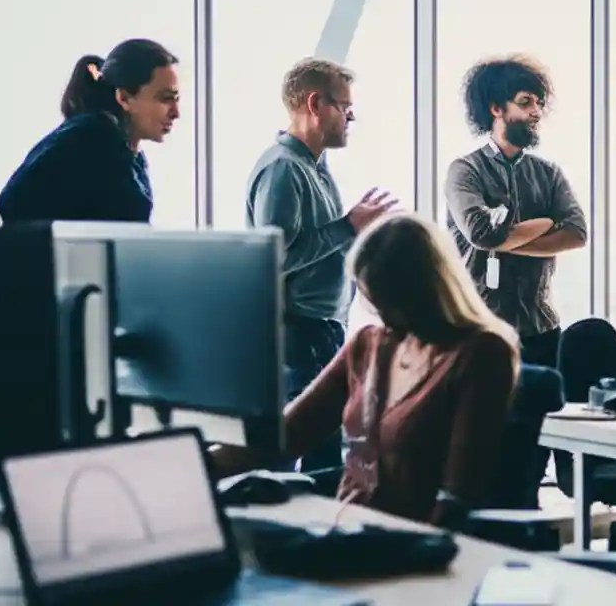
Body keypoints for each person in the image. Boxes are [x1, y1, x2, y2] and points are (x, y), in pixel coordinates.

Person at [214, 213, 519, 527]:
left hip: (413, 546)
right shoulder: (368, 345)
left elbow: (458, 496)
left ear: (423, 294)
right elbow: (289, 433)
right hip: (345, 532)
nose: (383, 316)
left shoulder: (481, 354)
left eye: (389, 303)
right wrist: (199, 464)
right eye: (373, 301)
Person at [245, 57, 396, 472]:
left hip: (320, 328)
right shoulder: (283, 169)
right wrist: (348, 226)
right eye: (344, 107)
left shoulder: (314, 165)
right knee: (314, 456)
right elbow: (273, 256)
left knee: (323, 452)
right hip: (299, 331)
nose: (351, 117)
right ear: (315, 104)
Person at [444, 55, 588, 368]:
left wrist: (507, 242)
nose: (536, 112)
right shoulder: (464, 170)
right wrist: (548, 223)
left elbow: (577, 233)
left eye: (538, 103)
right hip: (478, 329)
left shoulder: (548, 173)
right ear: (496, 108)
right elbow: (481, 234)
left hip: (541, 329)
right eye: (525, 103)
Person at [0, 38, 180, 223]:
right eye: (165, 98)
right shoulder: (94, 140)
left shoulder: (119, 148)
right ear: (124, 97)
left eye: (176, 99)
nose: (176, 113)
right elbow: (15, 203)